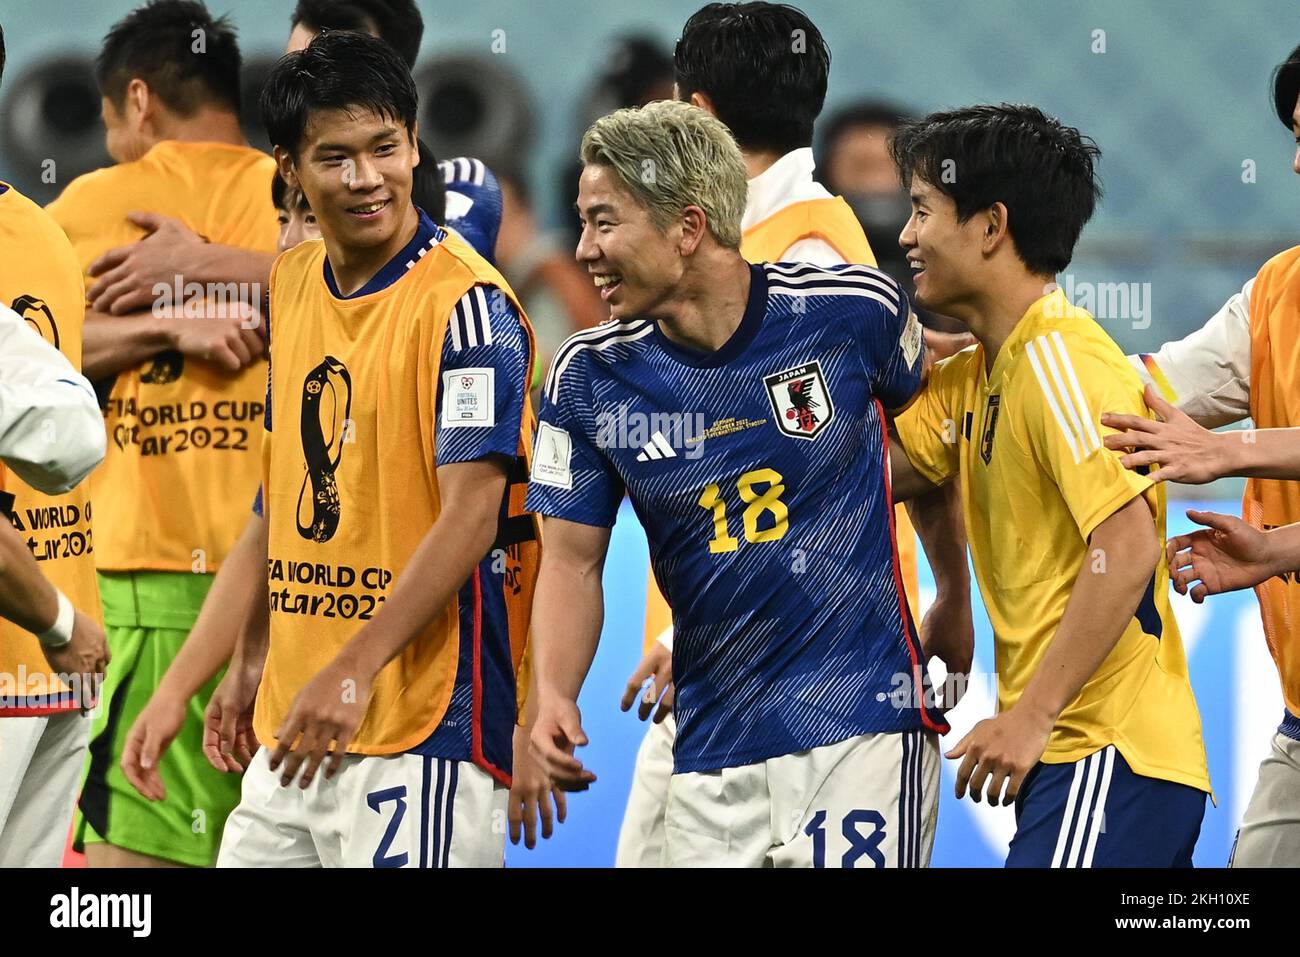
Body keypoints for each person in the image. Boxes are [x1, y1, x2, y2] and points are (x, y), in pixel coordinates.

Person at [528, 99, 949, 868]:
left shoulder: (852, 313)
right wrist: (552, 694)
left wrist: (950, 592)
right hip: (711, 746)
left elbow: (932, 455)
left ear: (688, 227)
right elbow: (570, 559)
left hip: (858, 725)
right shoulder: (588, 381)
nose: (584, 250)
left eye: (604, 222)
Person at [616, 0, 971, 868]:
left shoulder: (804, 258)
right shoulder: (735, 242)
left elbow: (827, 466)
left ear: (692, 112)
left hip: (805, 674)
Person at [212, 31, 538, 868]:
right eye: (336, 157)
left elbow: (472, 517)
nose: (367, 179)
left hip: (416, 727)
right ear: (288, 168)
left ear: (414, 143)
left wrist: (353, 669)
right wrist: (253, 657)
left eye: (384, 148)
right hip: (299, 717)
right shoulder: (291, 283)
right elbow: (283, 489)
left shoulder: (467, 307)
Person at [888, 103, 1212, 866]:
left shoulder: (1062, 361)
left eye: (922, 210)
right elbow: (856, 474)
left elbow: (1128, 544)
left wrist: (1030, 717)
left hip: (1104, 750)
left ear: (991, 225)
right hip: (1091, 763)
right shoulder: (979, 370)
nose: (905, 235)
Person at [44, 0, 278, 868]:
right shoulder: (297, 200)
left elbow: (26, 354)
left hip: (148, 585)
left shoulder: (92, 204)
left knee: (121, 880)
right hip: (294, 584)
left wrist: (155, 322)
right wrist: (188, 315)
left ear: (137, 101)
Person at [1107, 40, 1300, 869]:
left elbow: (1206, 440)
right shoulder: (1277, 293)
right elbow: (1142, 392)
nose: (1296, 161)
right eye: (1296, 133)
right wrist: (1001, 353)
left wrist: (1228, 450)